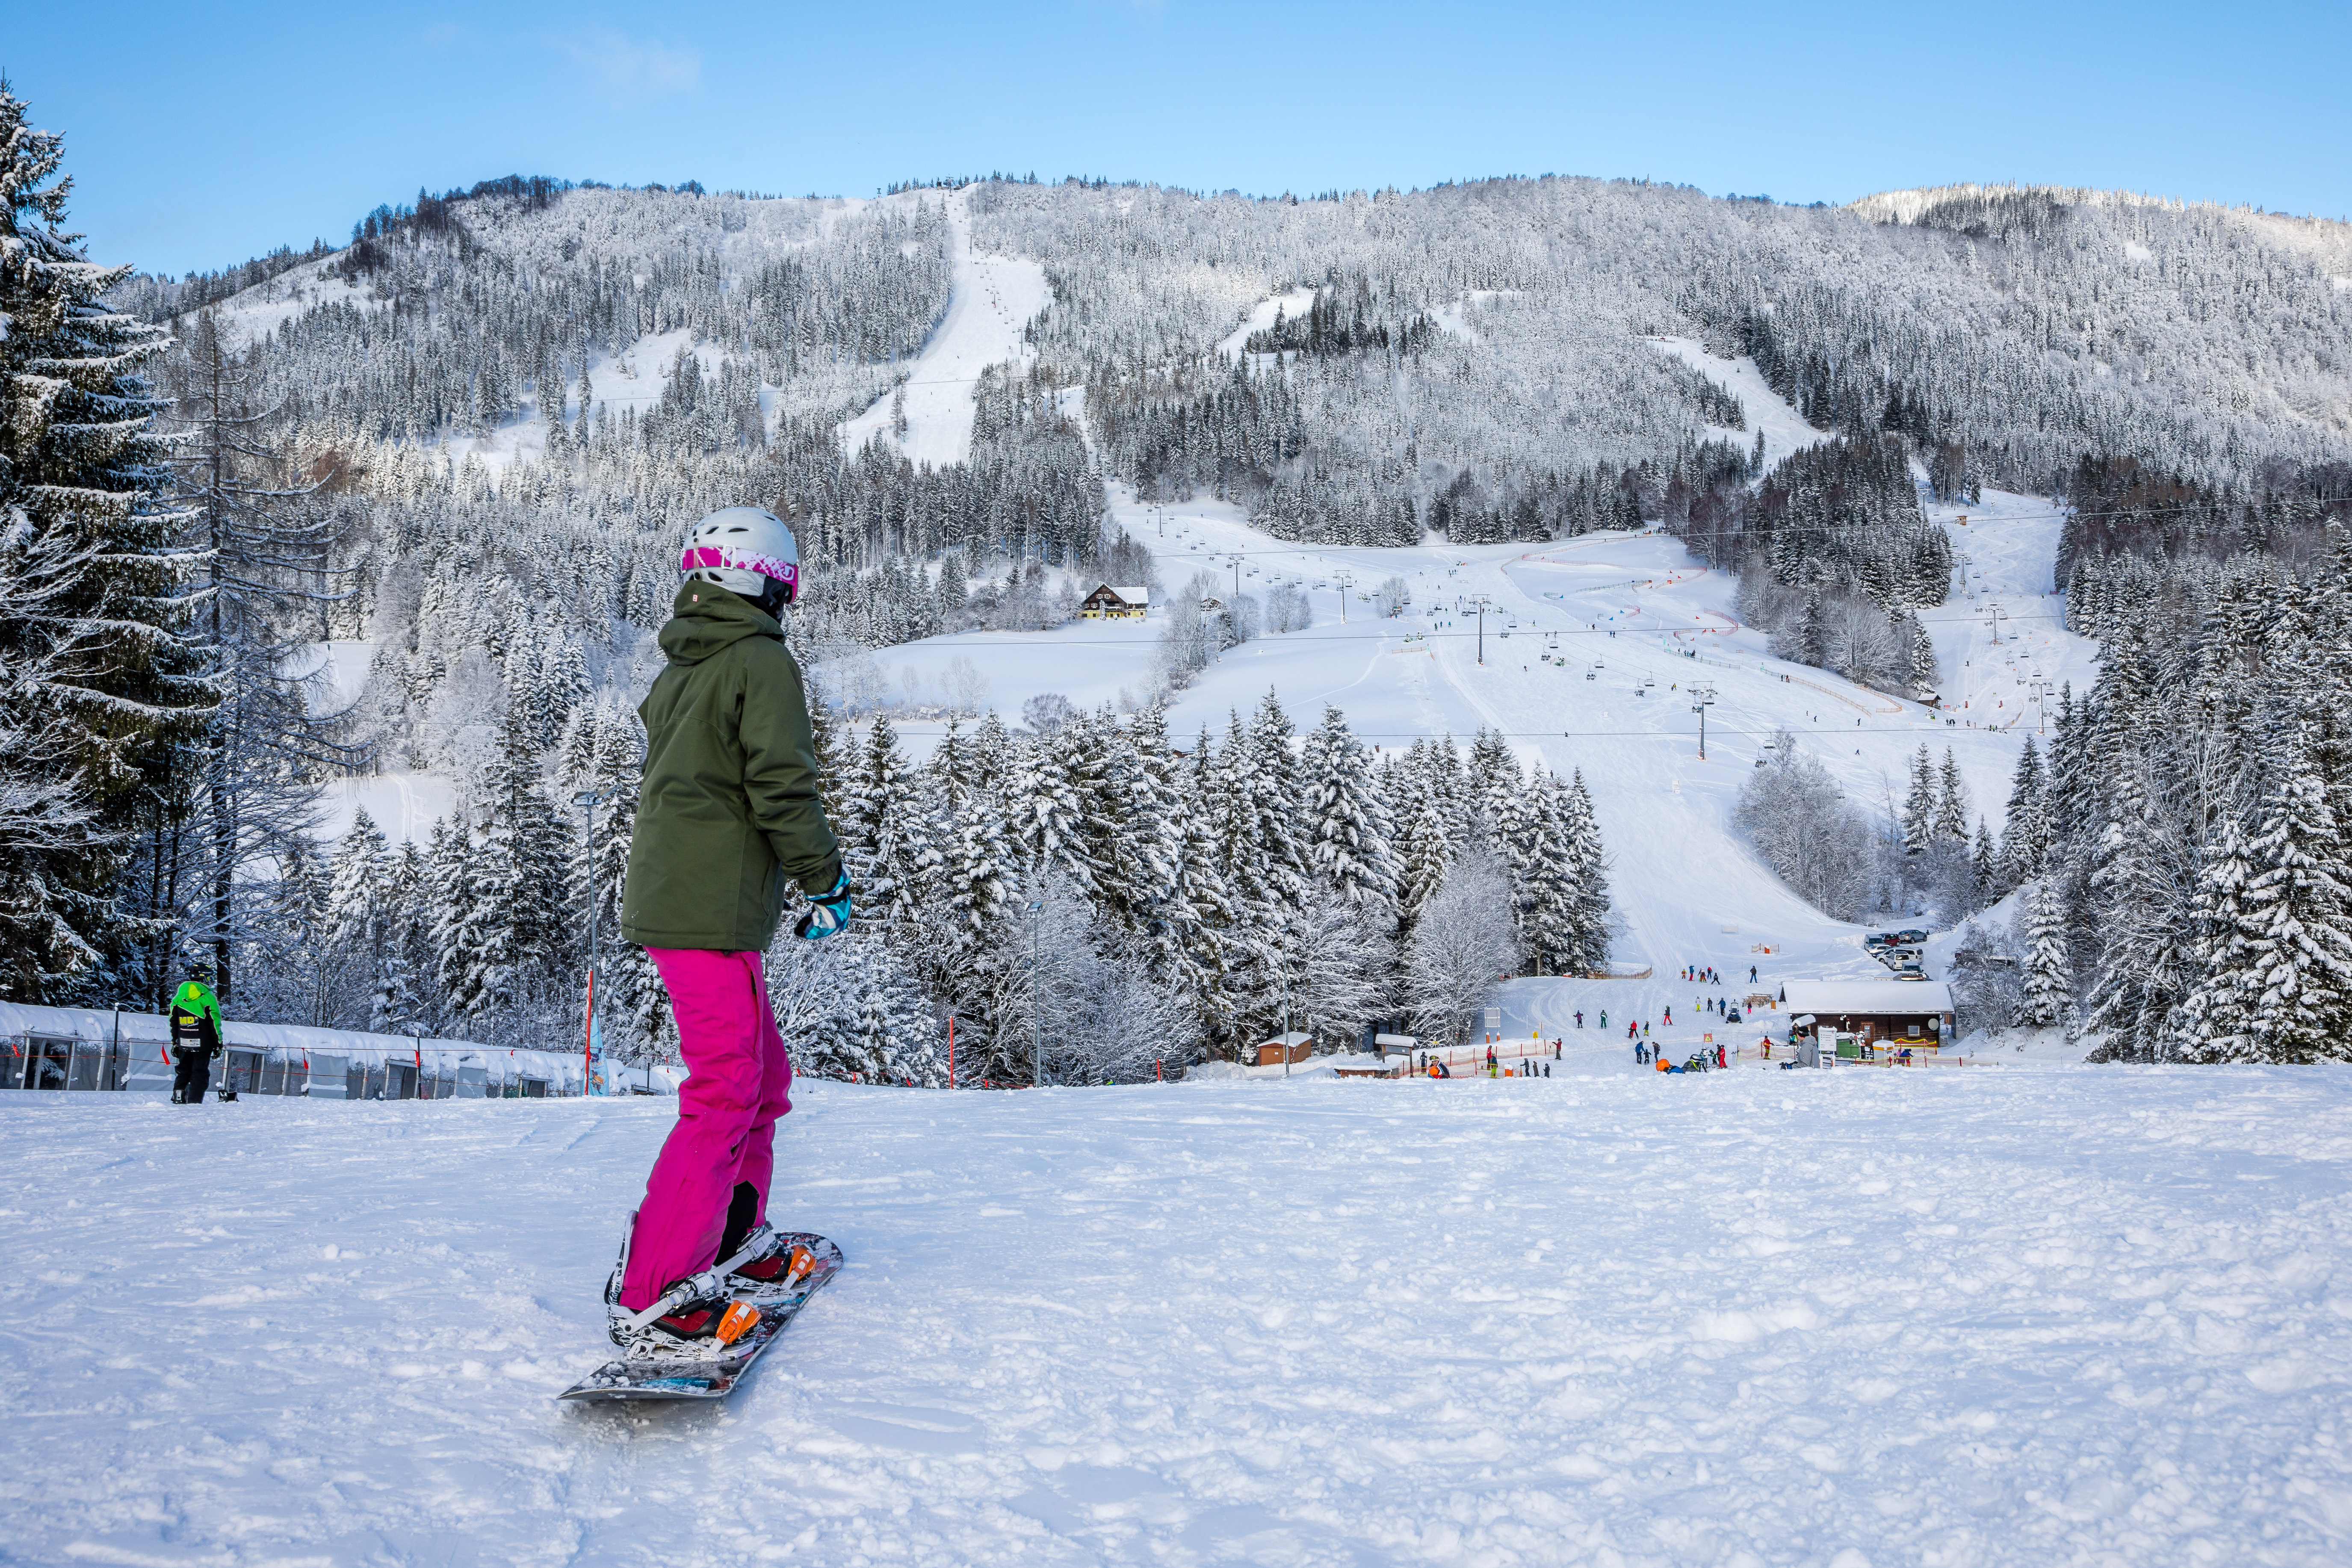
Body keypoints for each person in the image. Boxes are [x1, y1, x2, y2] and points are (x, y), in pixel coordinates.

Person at [607, 506, 851, 1357]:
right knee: (723, 1089)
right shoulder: (758, 662)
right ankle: (656, 1293)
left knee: (761, 1080)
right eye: (783, 588)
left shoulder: (690, 662)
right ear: (763, 585)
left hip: (699, 901)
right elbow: (781, 783)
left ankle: (724, 1242)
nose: (786, 604)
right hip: (703, 906)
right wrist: (825, 878)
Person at [165, 979, 222, 1104]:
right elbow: (215, 1022)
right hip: (203, 1044)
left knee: (183, 1071)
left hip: (184, 1042)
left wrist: (175, 1042)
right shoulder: (208, 998)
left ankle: (179, 1096)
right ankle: (194, 1102)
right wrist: (218, 1044)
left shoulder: (178, 998)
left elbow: (173, 1022)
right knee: (200, 1073)